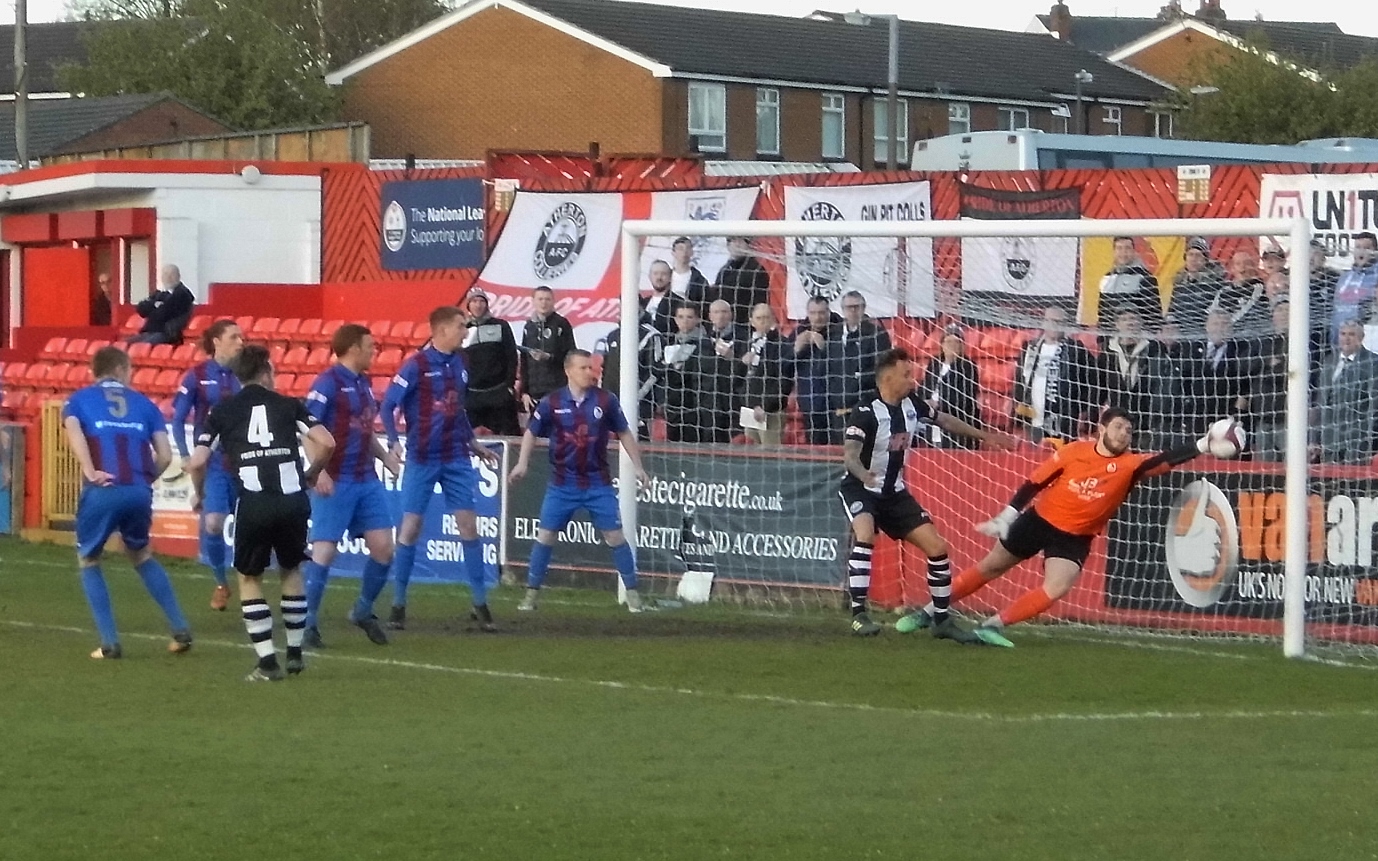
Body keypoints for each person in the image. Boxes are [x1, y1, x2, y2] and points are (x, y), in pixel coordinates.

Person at [897, 408, 1214, 647]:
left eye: (1129, 431)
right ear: (1101, 428)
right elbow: (1036, 482)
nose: (1123, 434)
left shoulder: (1131, 465)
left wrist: (1202, 444)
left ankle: (992, 626)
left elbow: (1166, 458)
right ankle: (926, 612)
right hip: (1039, 520)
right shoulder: (1074, 451)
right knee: (990, 567)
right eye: (1118, 427)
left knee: (1058, 587)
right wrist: (1009, 513)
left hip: (1075, 537)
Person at [187, 345, 336, 681]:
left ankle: (267, 663)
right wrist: (312, 473)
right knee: (291, 569)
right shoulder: (288, 404)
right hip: (292, 499)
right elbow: (326, 442)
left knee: (249, 577)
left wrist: (199, 492)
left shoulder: (223, 411)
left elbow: (197, 461)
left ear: (238, 375)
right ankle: (296, 652)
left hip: (253, 503)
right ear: (267, 371)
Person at [840, 348, 1012, 639]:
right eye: (907, 375)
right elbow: (850, 455)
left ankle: (942, 621)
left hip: (894, 493)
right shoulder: (865, 411)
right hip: (861, 488)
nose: (913, 380)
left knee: (938, 548)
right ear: (888, 378)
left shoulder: (911, 404)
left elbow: (944, 420)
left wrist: (985, 436)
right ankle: (859, 614)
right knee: (865, 535)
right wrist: (862, 474)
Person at [63, 346, 193, 660]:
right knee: (141, 554)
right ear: (122, 370)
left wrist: (90, 470)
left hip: (103, 489)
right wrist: (144, 481)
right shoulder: (146, 404)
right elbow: (164, 455)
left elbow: (75, 432)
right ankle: (180, 629)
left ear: (97, 371)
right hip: (138, 489)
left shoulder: (78, 400)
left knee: (89, 560)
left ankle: (109, 643)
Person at [381, 305, 502, 631]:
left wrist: (472, 442)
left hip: (456, 458)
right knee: (410, 529)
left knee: (468, 528)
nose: (466, 331)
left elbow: (457, 409)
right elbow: (388, 403)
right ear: (443, 330)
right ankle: (398, 603)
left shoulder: (460, 364)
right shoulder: (416, 365)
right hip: (422, 457)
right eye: (462, 326)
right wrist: (393, 440)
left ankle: (480, 603)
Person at [509, 350, 651, 612]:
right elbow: (531, 432)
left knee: (615, 536)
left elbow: (624, 433)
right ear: (569, 371)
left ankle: (632, 594)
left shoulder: (605, 400)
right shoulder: (552, 402)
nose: (591, 372)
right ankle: (531, 594)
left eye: (592, 367)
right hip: (563, 482)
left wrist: (638, 467)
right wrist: (522, 462)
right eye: (584, 368)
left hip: (598, 482)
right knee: (546, 536)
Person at [301, 324, 400, 649]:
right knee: (324, 551)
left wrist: (384, 456)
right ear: (353, 348)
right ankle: (308, 623)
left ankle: (362, 610)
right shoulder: (327, 383)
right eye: (370, 346)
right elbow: (306, 430)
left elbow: (364, 429)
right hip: (337, 478)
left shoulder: (364, 383)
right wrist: (319, 471)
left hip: (365, 478)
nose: (375, 351)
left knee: (384, 548)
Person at [171, 318, 243, 611]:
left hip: (244, 460)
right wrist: (188, 455)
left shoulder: (245, 373)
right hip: (214, 461)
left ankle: (252, 581)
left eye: (242, 337)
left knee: (254, 524)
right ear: (216, 341)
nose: (241, 341)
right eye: (235, 337)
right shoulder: (197, 375)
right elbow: (178, 419)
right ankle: (221, 582)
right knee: (213, 522)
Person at [1011, 307, 1097, 443]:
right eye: (1050, 321)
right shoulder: (1030, 348)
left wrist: (1082, 409)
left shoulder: (1076, 350)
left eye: (1059, 322)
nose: (1054, 325)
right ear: (1043, 322)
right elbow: (1020, 379)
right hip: (1033, 420)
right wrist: (1017, 403)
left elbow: (1094, 380)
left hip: (1064, 422)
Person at [1310, 319, 1378, 465]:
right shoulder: (1329, 360)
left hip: (1357, 442)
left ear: (1361, 337)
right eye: (1343, 334)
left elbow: (1374, 407)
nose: (1346, 338)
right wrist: (1314, 439)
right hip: (1328, 441)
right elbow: (1320, 402)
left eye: (1352, 334)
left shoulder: (1373, 363)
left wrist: (1369, 440)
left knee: (1353, 485)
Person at [827, 291, 892, 440]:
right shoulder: (834, 335)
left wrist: (858, 378)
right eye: (849, 307)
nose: (853, 311)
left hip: (866, 406)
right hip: (839, 410)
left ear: (864, 308)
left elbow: (883, 368)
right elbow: (830, 369)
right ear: (842, 310)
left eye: (857, 307)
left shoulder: (877, 334)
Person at [462, 289, 520, 436]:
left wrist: (509, 385)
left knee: (509, 433)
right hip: (472, 394)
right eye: (474, 301)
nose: (478, 305)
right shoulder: (462, 329)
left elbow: (511, 355)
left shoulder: (501, 325)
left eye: (481, 301)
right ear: (468, 305)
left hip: (499, 392)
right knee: (474, 437)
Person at [736, 303, 793, 446]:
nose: (763, 321)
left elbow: (784, 381)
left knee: (770, 453)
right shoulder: (746, 343)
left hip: (771, 411)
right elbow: (737, 380)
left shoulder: (782, 345)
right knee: (749, 452)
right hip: (749, 409)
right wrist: (742, 363)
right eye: (759, 318)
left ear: (773, 319)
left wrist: (765, 406)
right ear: (752, 321)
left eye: (766, 317)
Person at [920, 323, 983, 449]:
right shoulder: (934, 363)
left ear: (962, 346)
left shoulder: (968, 366)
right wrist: (925, 401)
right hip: (932, 416)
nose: (952, 346)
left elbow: (965, 397)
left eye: (957, 342)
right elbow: (924, 387)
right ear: (942, 345)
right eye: (948, 342)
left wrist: (938, 403)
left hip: (957, 420)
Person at [661, 304, 716, 442]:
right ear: (675, 319)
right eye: (681, 317)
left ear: (698, 320)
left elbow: (705, 383)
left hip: (695, 412)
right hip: (672, 410)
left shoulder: (705, 345)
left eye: (689, 317)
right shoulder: (669, 342)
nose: (685, 321)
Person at [793, 296, 843, 445]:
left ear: (829, 311)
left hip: (836, 406)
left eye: (821, 312)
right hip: (811, 404)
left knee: (837, 449)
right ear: (807, 313)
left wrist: (824, 348)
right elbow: (784, 366)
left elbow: (843, 364)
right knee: (815, 449)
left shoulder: (840, 331)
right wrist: (796, 350)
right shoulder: (800, 332)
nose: (817, 317)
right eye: (813, 313)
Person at [520, 286, 576, 412]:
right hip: (535, 392)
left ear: (553, 301)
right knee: (536, 430)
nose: (544, 303)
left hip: (557, 389)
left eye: (547, 299)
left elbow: (571, 356)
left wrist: (549, 357)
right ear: (533, 301)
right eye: (540, 299)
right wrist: (524, 391)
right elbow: (524, 361)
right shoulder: (529, 326)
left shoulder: (562, 324)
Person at [1097, 309, 1153, 427]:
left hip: (1146, 416)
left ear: (1141, 322)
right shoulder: (1108, 352)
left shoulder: (1153, 349)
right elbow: (1100, 386)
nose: (1129, 323)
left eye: (1133, 318)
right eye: (1124, 319)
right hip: (1116, 416)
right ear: (1117, 324)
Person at [1097, 236, 1161, 329]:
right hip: (1112, 337)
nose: (1123, 252)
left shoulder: (1146, 277)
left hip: (1139, 337)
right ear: (1114, 252)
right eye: (1119, 248)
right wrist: (1102, 338)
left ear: (1134, 251)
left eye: (1127, 248)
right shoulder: (1107, 277)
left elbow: (1154, 312)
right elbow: (1102, 311)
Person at [1167, 236, 1225, 338]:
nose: (1194, 259)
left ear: (1205, 260)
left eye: (1198, 255)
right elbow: (1171, 310)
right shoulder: (1179, 283)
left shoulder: (1216, 283)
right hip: (1180, 336)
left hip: (1205, 336)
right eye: (1191, 255)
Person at [1328, 232, 1378, 347]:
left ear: (1375, 252)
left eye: (1366, 248)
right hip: (1339, 340)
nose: (1361, 251)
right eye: (1358, 247)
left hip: (1367, 342)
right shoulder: (1344, 277)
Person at [711, 236, 770, 326]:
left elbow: (760, 302)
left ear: (748, 244)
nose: (737, 244)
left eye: (740, 241)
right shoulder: (725, 270)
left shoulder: (756, 269)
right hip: (726, 325)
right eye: (733, 240)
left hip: (746, 325)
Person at [129, 264, 195, 345]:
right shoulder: (160, 293)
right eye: (165, 274)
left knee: (139, 348)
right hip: (149, 331)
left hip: (166, 333)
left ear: (178, 276)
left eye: (172, 274)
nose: (168, 277)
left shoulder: (183, 294)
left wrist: (152, 308)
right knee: (123, 346)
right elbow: (141, 309)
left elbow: (163, 314)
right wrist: (155, 305)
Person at [1208, 249, 1268, 337]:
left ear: (1253, 267)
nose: (1242, 267)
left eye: (1246, 263)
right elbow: (1212, 311)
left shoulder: (1258, 287)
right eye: (1238, 264)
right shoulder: (1224, 290)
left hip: (1245, 333)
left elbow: (1248, 309)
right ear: (1232, 268)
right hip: (1221, 332)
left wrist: (1227, 324)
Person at [640, 260, 685, 336]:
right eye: (655, 273)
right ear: (650, 276)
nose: (659, 277)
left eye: (663, 274)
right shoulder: (642, 303)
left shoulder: (678, 302)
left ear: (670, 277)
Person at [669, 236, 710, 308]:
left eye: (688, 248)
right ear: (673, 253)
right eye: (680, 248)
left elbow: (705, 305)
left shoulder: (700, 280)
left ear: (692, 252)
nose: (684, 252)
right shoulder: (666, 276)